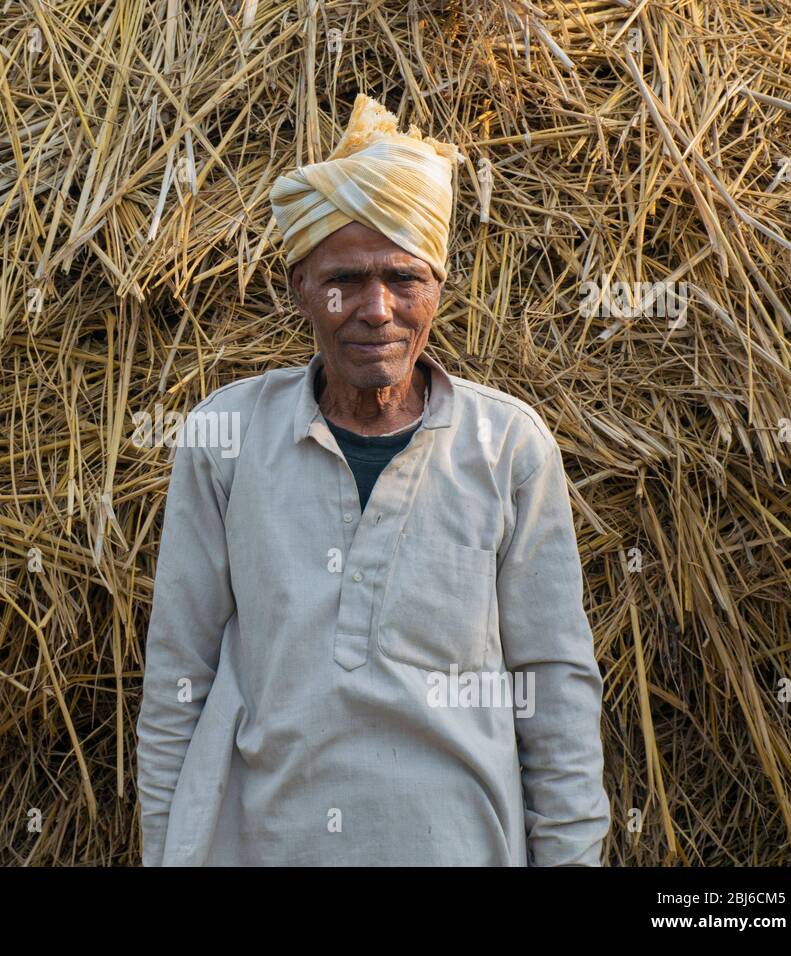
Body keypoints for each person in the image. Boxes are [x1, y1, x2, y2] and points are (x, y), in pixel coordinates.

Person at [135, 93, 610, 866]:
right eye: (344, 279)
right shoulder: (225, 440)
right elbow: (176, 678)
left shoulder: (507, 447)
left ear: (439, 287)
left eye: (403, 278)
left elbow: (552, 686)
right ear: (298, 287)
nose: (376, 309)